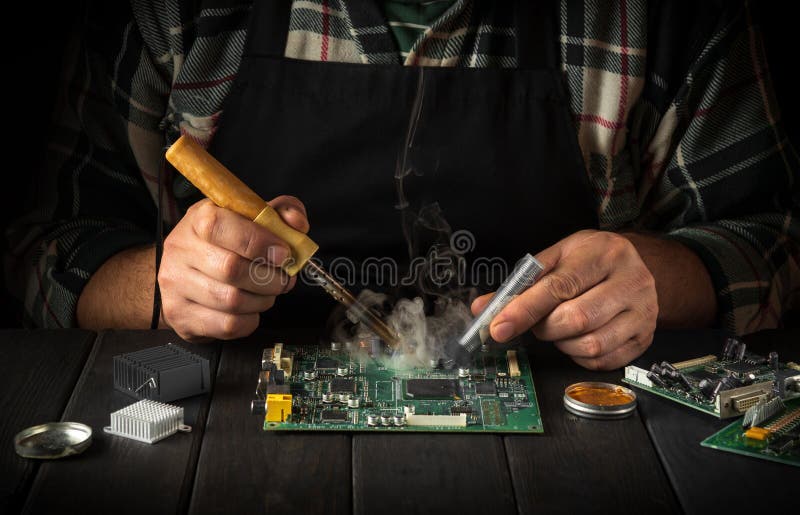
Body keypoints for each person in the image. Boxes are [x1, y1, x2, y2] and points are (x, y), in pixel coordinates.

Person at [5, 0, 797, 370]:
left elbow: (774, 243)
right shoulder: (174, 15)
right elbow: (46, 249)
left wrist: (651, 276)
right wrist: (162, 282)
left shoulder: (668, 20)